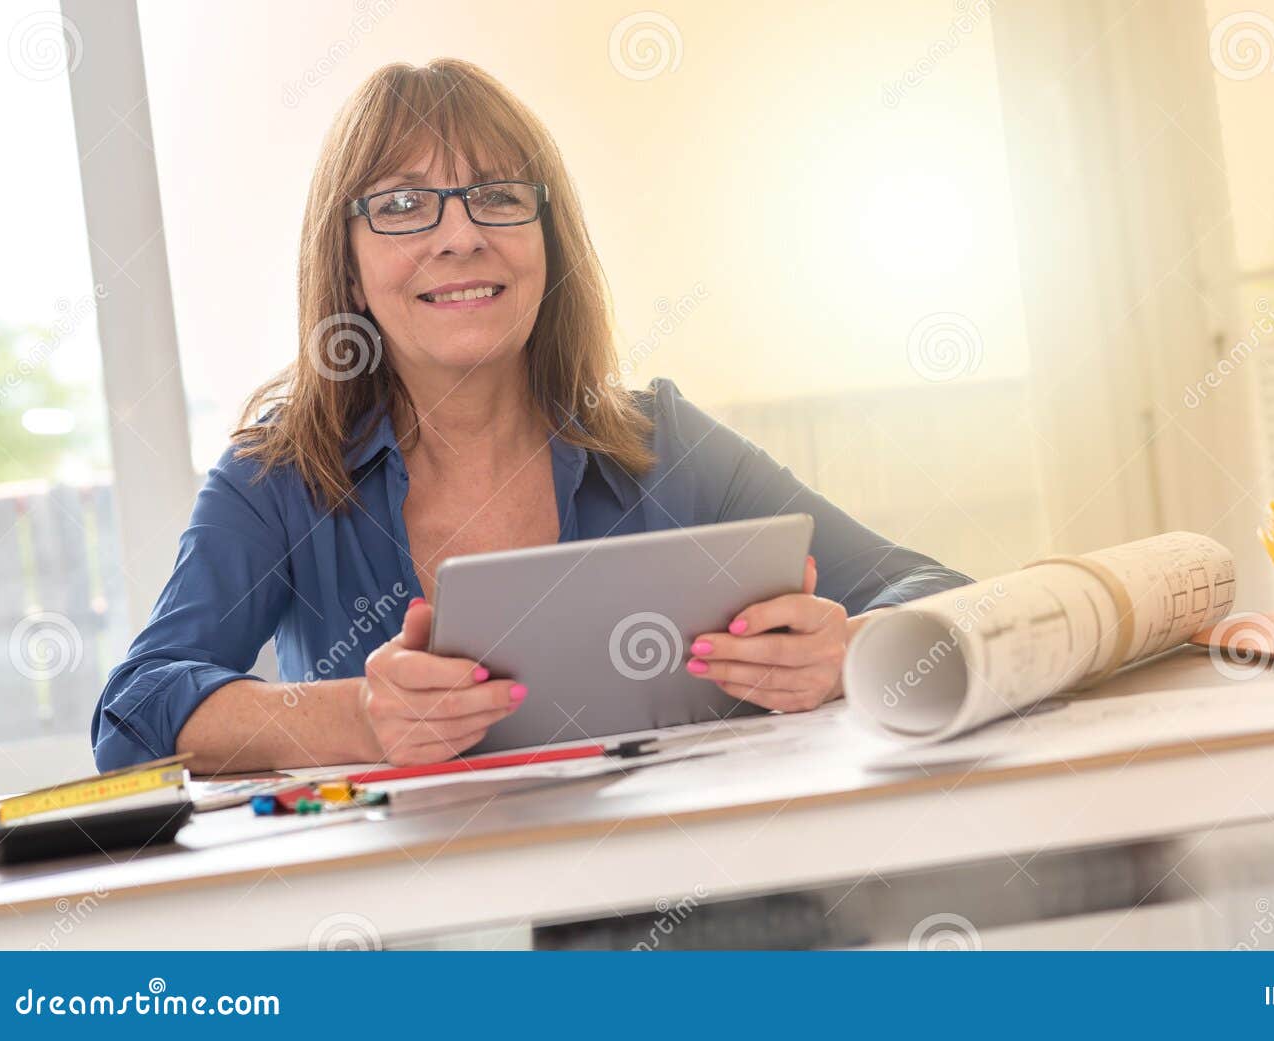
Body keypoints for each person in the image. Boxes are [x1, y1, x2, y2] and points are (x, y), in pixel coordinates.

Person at [91, 59, 970, 774]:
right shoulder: (275, 480)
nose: (460, 235)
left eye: (499, 195)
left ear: (547, 240)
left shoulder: (665, 443)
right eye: (401, 204)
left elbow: (941, 595)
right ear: (348, 265)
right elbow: (134, 713)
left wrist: (847, 647)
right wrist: (358, 714)